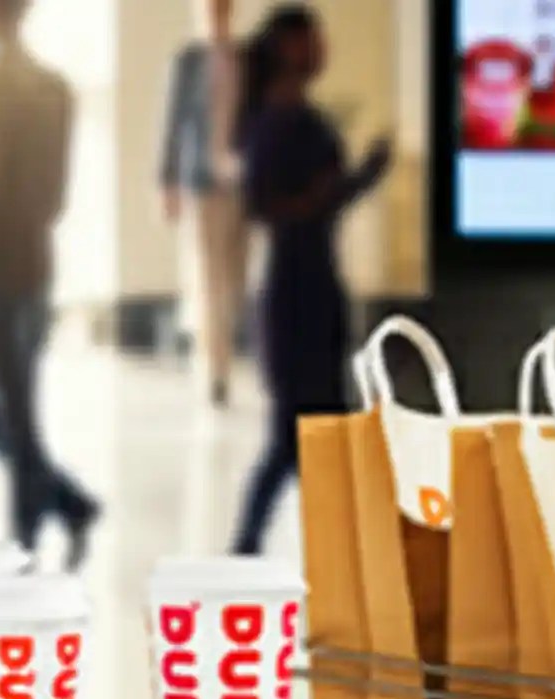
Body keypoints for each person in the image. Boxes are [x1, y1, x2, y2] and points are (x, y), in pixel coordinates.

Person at [231, 4, 391, 555]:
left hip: (315, 284)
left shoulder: (301, 117)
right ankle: (262, 546)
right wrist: (342, 187)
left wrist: (357, 181)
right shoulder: (275, 122)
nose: (322, 49)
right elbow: (269, 206)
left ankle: (331, 546)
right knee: (297, 435)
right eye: (311, 40)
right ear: (287, 48)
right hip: (292, 291)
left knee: (312, 434)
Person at [0, 0, 100, 567]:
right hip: (31, 258)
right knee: (1, 403)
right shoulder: (56, 89)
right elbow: (55, 193)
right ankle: (62, 503)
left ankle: (30, 529)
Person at [160, 0, 250, 408]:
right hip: (201, 182)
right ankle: (216, 370)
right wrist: (168, 182)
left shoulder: (247, 60)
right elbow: (174, 122)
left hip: (242, 184)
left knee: (234, 278)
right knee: (209, 277)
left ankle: (224, 352)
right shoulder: (188, 61)